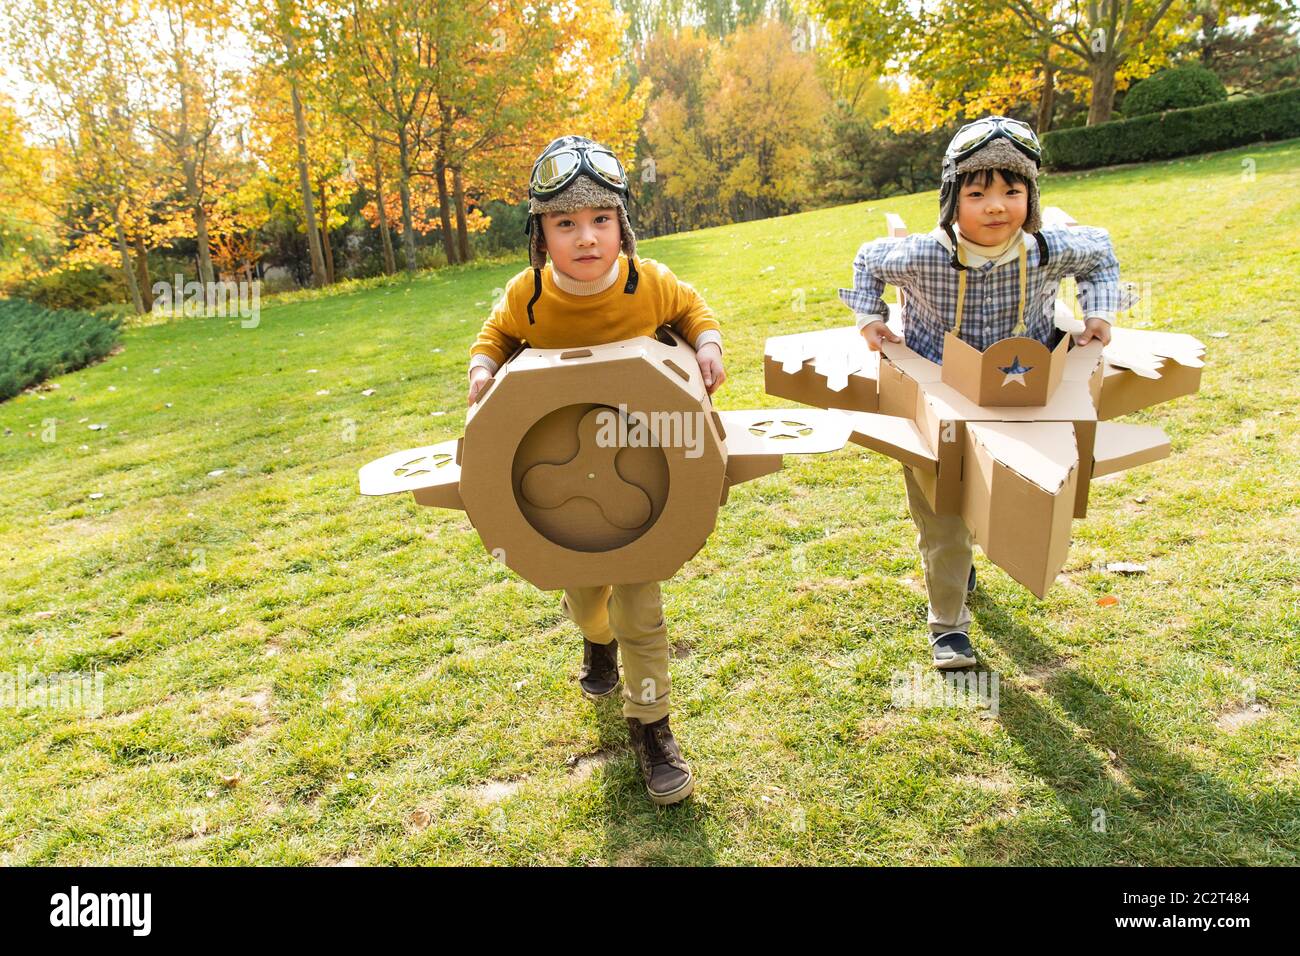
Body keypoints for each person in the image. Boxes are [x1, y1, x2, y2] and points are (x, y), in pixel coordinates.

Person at [466, 135, 725, 804]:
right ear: (541, 234)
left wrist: (708, 345)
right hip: (563, 493)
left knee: (642, 610)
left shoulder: (648, 282)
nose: (586, 238)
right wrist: (483, 367)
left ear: (621, 225)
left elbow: (694, 310)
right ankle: (595, 641)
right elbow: (494, 334)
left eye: (600, 221)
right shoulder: (529, 295)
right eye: (566, 224)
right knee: (589, 604)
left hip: (644, 487)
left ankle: (653, 730)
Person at [839, 116, 1129, 669]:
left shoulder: (1047, 250)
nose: (996, 206)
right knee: (944, 516)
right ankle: (948, 625)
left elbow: (1101, 253)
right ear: (953, 200)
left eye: (1012, 191)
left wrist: (1099, 312)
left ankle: (967, 553)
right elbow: (868, 261)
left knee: (1000, 492)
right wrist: (869, 317)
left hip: (1022, 398)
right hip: (938, 397)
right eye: (977, 193)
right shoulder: (923, 255)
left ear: (1031, 196)